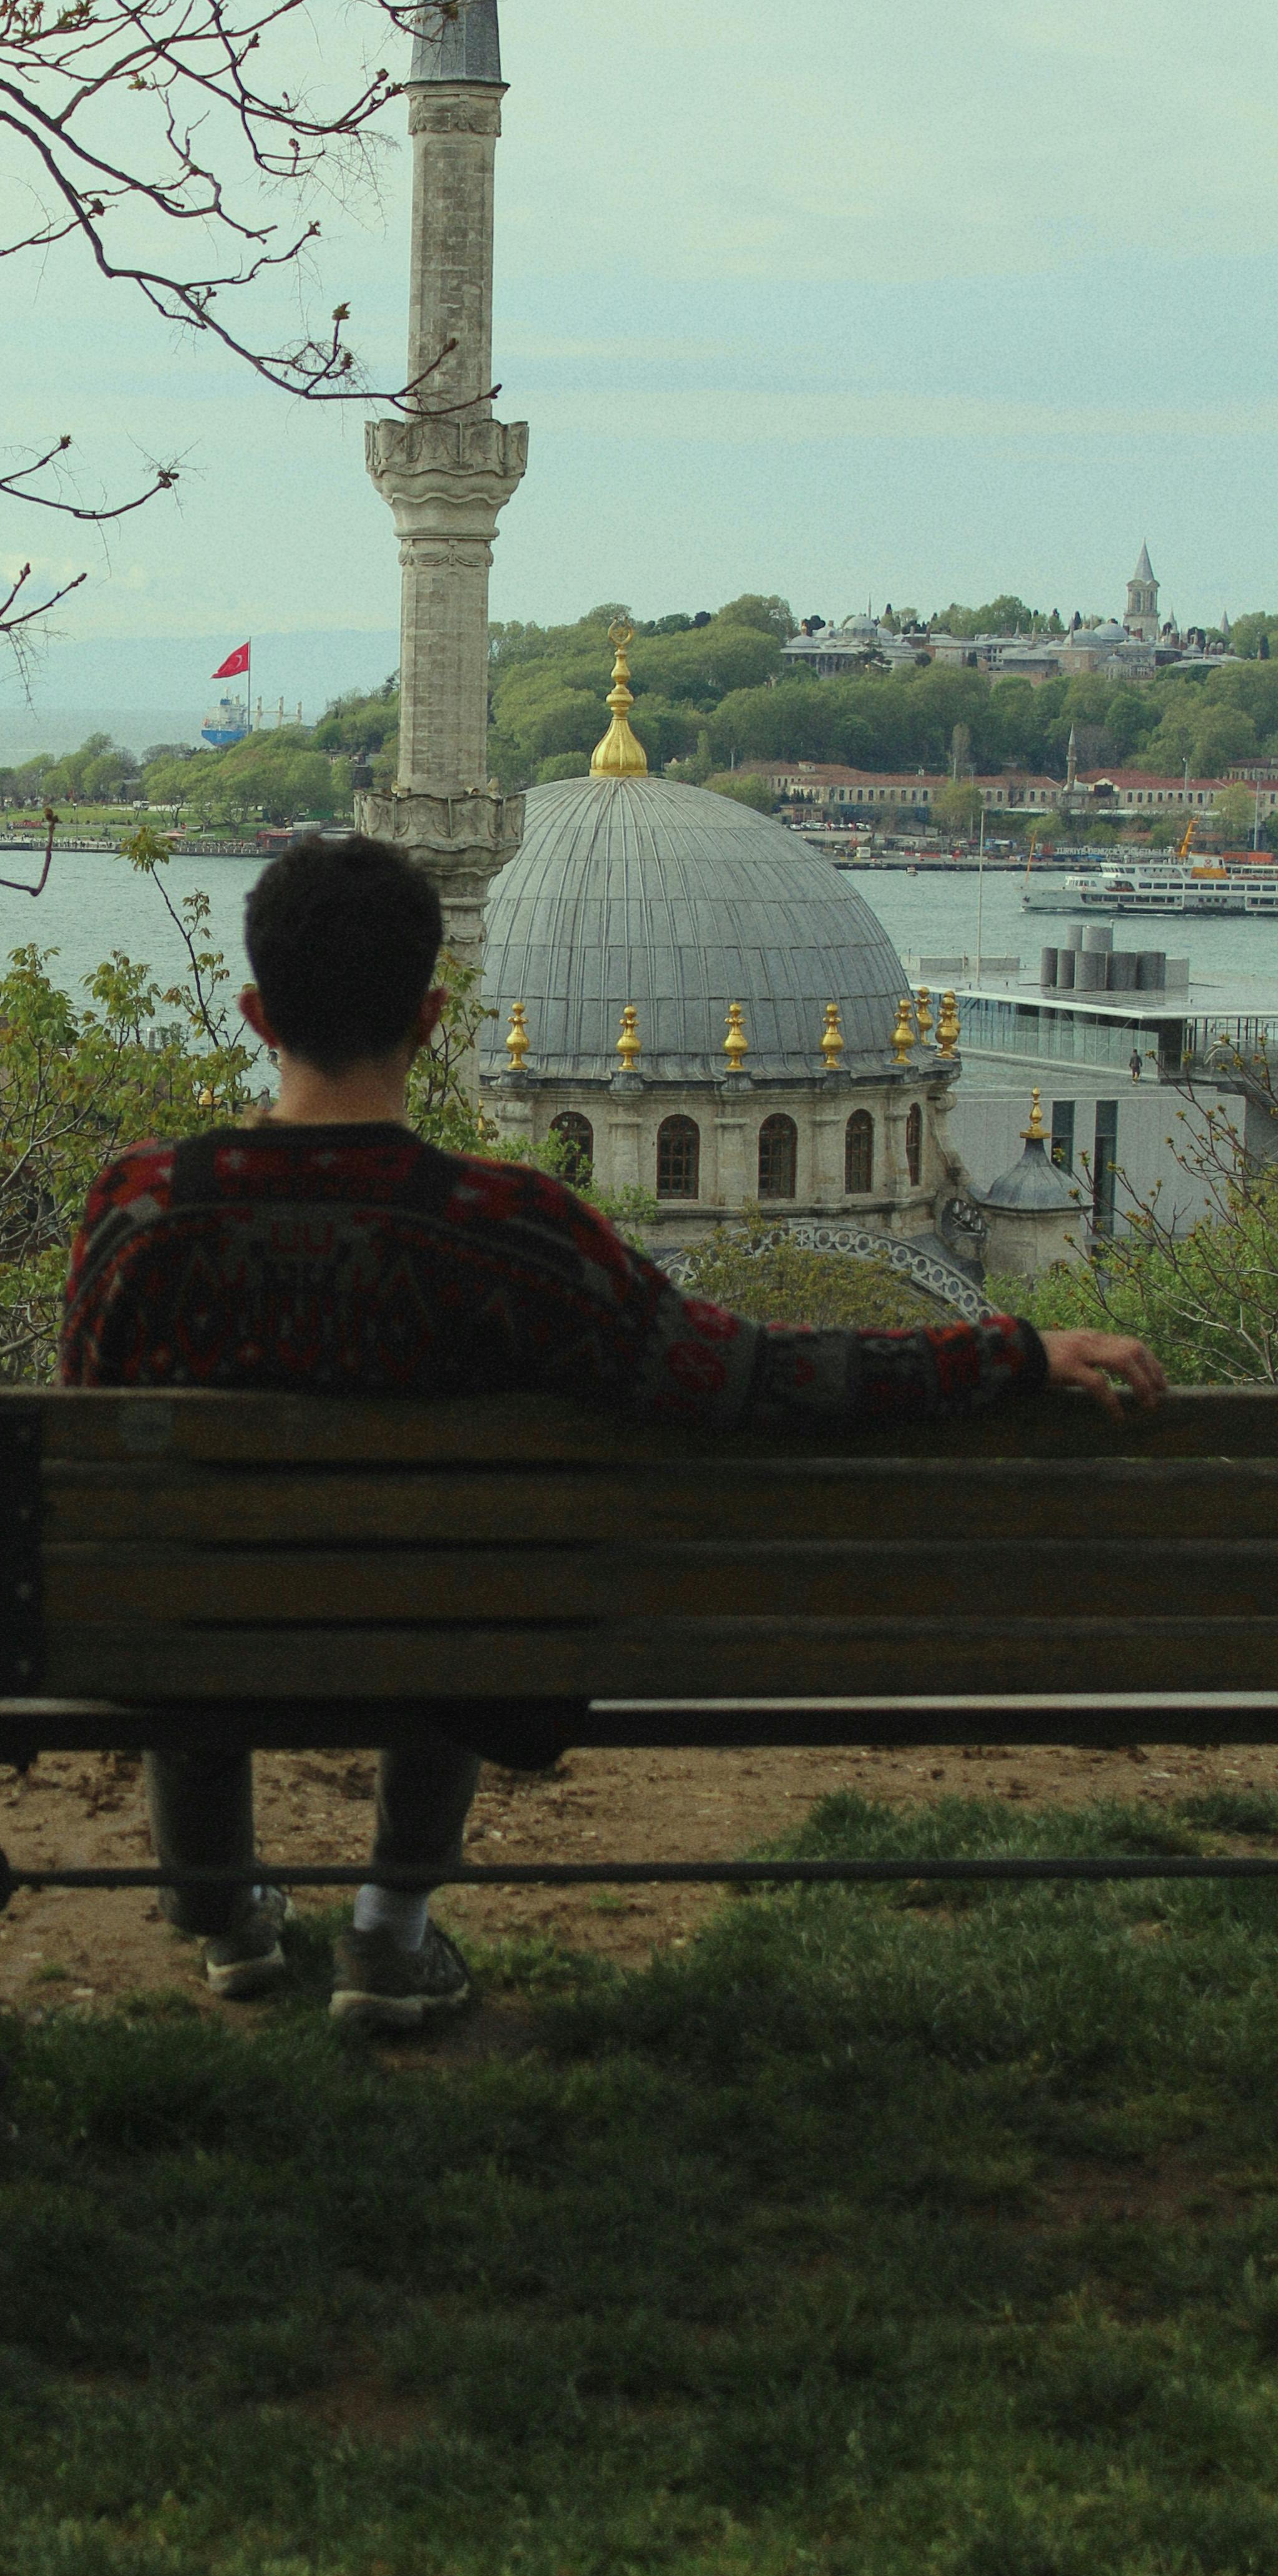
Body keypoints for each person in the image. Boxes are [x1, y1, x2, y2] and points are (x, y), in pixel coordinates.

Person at [59, 835, 1164, 2032]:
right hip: (451, 1650)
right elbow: (748, 1374)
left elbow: (92, 1426)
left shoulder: (141, 1213)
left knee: (194, 1564)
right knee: (458, 1583)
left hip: (191, 1647)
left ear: (256, 1011)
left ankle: (223, 1916)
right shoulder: (514, 1230)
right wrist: (1012, 1349)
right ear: (434, 1017)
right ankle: (389, 1928)